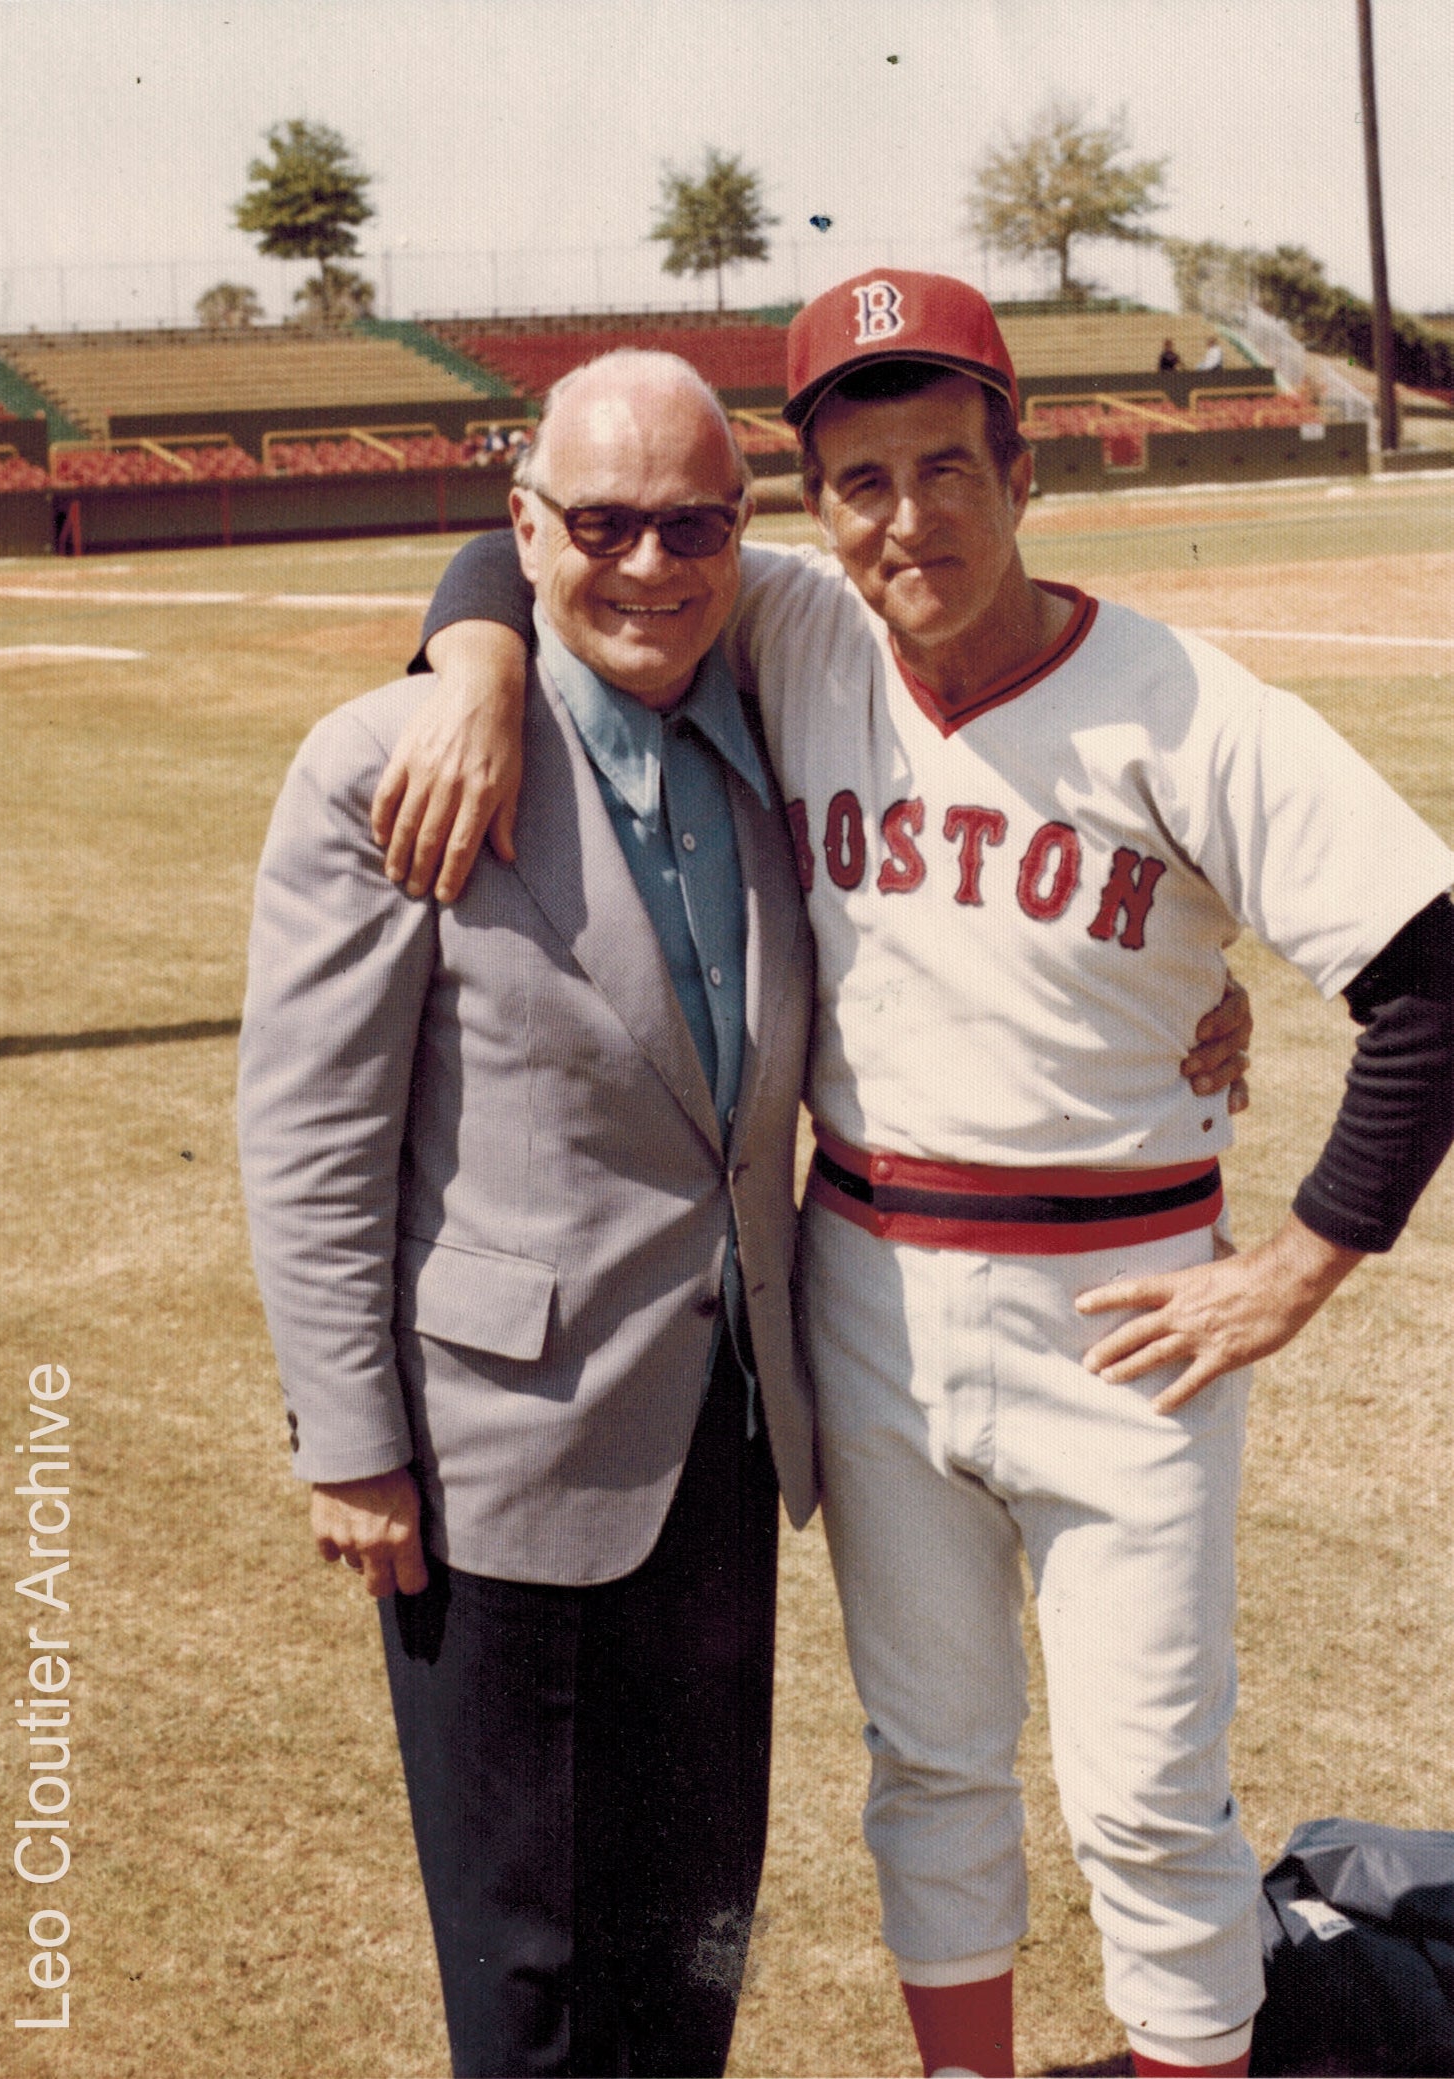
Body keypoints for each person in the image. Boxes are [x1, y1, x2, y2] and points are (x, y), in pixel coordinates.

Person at [382, 306, 1288, 2079]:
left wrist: (1205, 1057)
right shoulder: (783, 609)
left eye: (950, 469)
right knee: (932, 1763)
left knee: (1145, 1790)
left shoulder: (846, 629)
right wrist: (477, 661)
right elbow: (529, 537)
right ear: (819, 497)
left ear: (1023, 474)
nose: (905, 520)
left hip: (1095, 1310)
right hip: (861, 1311)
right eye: (860, 480)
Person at [236, 352, 823, 2078]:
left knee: (692, 1954)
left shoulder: (774, 712)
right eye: (604, 524)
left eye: (693, 523)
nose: (649, 565)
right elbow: (310, 1128)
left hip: (726, 1447)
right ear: (524, 526)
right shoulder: (389, 767)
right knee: (533, 1983)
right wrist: (350, 1441)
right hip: (498, 1474)